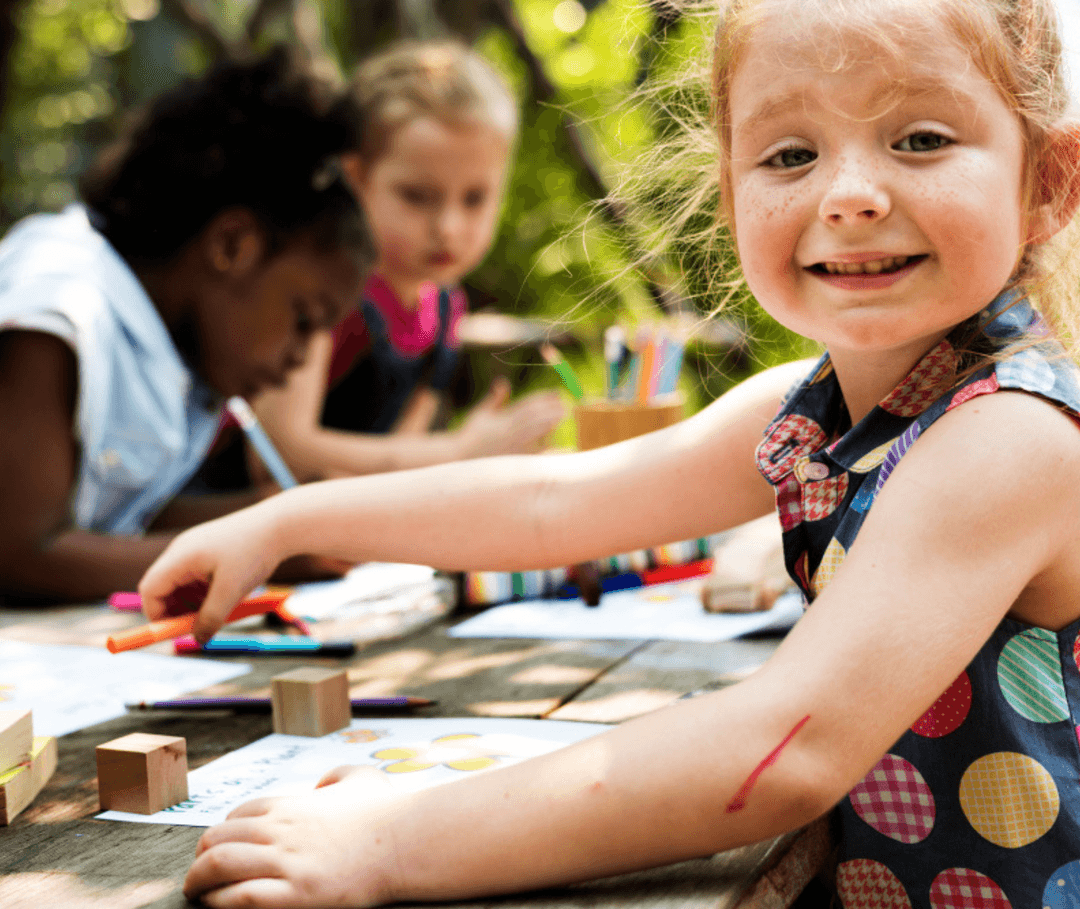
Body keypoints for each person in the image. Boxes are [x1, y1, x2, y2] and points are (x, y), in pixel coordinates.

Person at [140, 0, 1080, 906]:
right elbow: (558, 501)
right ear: (730, 190)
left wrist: (390, 842)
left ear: (1048, 181)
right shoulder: (818, 408)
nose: (849, 197)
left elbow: (785, 750)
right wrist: (289, 519)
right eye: (790, 154)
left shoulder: (1008, 435)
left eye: (920, 139)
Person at [0, 48, 371, 603]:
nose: (303, 357)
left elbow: (121, 515)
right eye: (303, 320)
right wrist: (260, 550)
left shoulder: (169, 345)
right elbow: (20, 553)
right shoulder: (58, 312)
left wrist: (281, 515)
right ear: (231, 246)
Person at [241, 40, 565, 482]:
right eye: (417, 196)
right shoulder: (324, 295)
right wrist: (457, 450)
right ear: (357, 178)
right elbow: (278, 449)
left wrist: (485, 458)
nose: (448, 227)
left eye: (475, 199)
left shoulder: (444, 310)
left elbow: (402, 461)